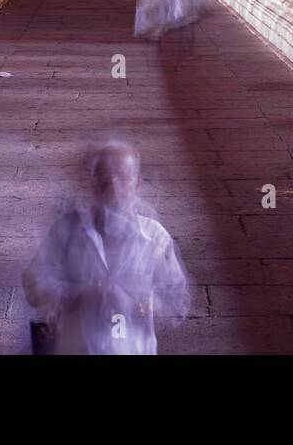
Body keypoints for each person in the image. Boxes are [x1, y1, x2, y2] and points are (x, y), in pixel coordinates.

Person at [23, 143, 189, 355]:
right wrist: (77, 294)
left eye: (123, 177)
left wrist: (140, 303)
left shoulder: (155, 238)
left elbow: (178, 302)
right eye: (104, 177)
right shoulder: (66, 230)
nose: (113, 187)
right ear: (92, 183)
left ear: (137, 184)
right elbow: (33, 284)